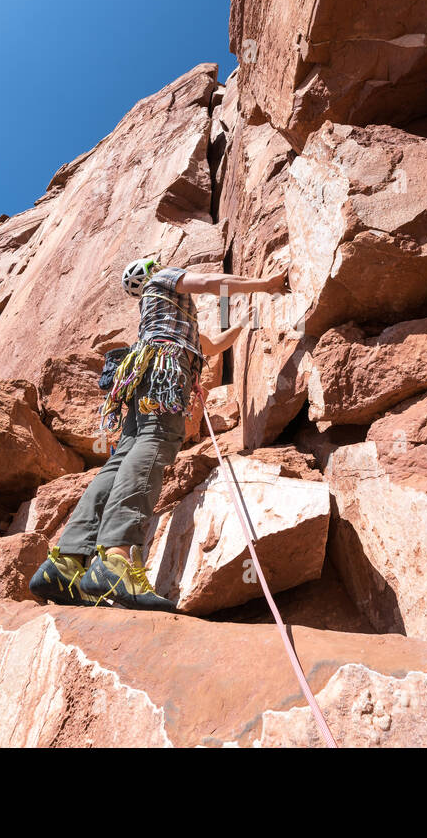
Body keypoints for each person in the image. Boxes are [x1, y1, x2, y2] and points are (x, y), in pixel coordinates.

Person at [29, 256, 289, 611]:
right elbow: (212, 282)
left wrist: (244, 323)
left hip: (143, 375)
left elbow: (210, 346)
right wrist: (267, 284)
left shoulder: (163, 315)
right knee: (155, 441)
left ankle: (65, 563)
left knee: (122, 455)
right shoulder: (164, 280)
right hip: (166, 371)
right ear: (152, 271)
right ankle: (116, 559)